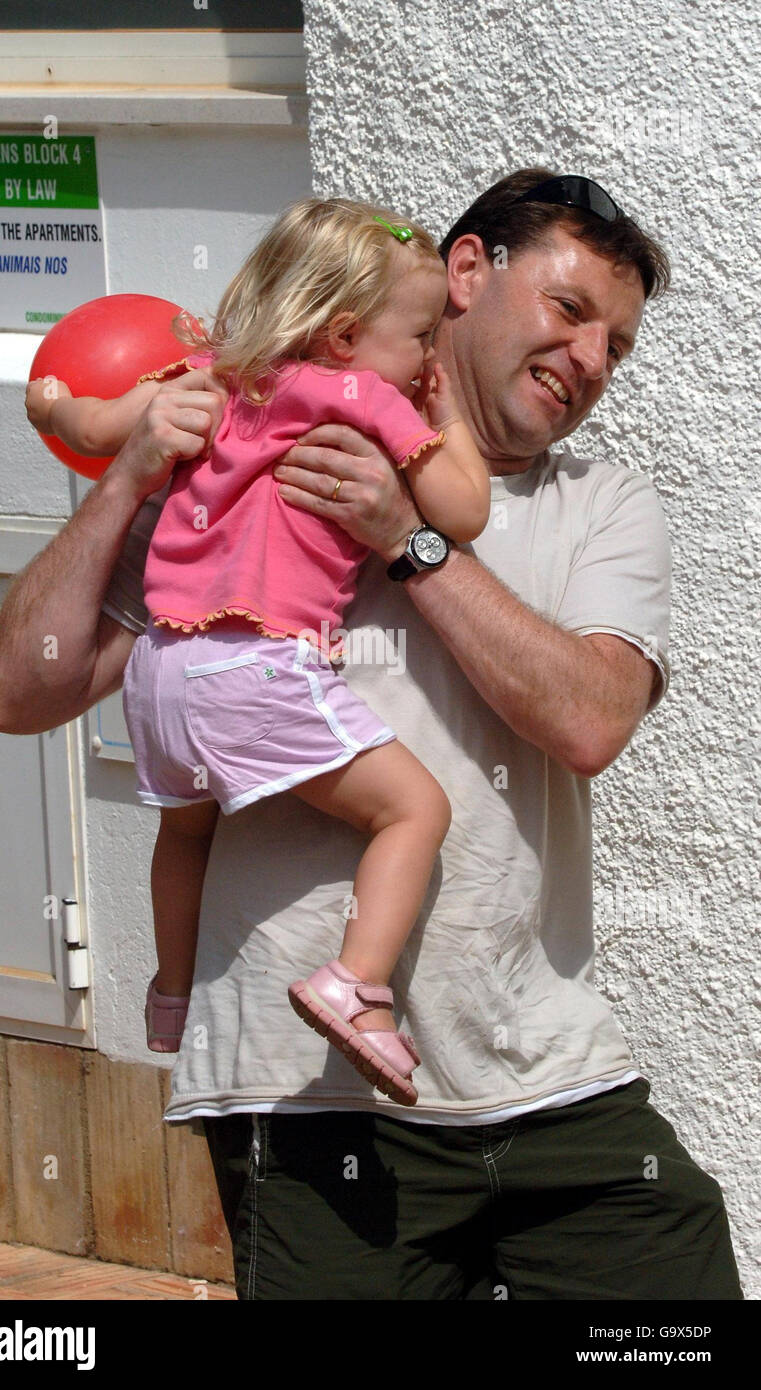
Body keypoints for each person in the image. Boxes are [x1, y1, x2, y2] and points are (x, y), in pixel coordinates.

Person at [0, 168, 743, 1300]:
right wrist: (128, 475)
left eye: (617, 346)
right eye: (571, 311)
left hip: (539, 1073)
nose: (589, 361)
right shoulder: (249, 457)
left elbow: (587, 720)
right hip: (311, 1100)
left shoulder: (602, 502)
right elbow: (20, 691)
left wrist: (405, 537)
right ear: (467, 274)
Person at [25, 198, 491, 1104]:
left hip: (159, 669)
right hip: (258, 662)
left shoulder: (202, 376)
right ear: (347, 335)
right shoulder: (356, 393)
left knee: (185, 827)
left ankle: (168, 994)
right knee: (414, 814)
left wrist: (47, 401)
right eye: (420, 336)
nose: (431, 357)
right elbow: (463, 511)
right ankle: (355, 988)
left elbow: (85, 429)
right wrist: (447, 419)